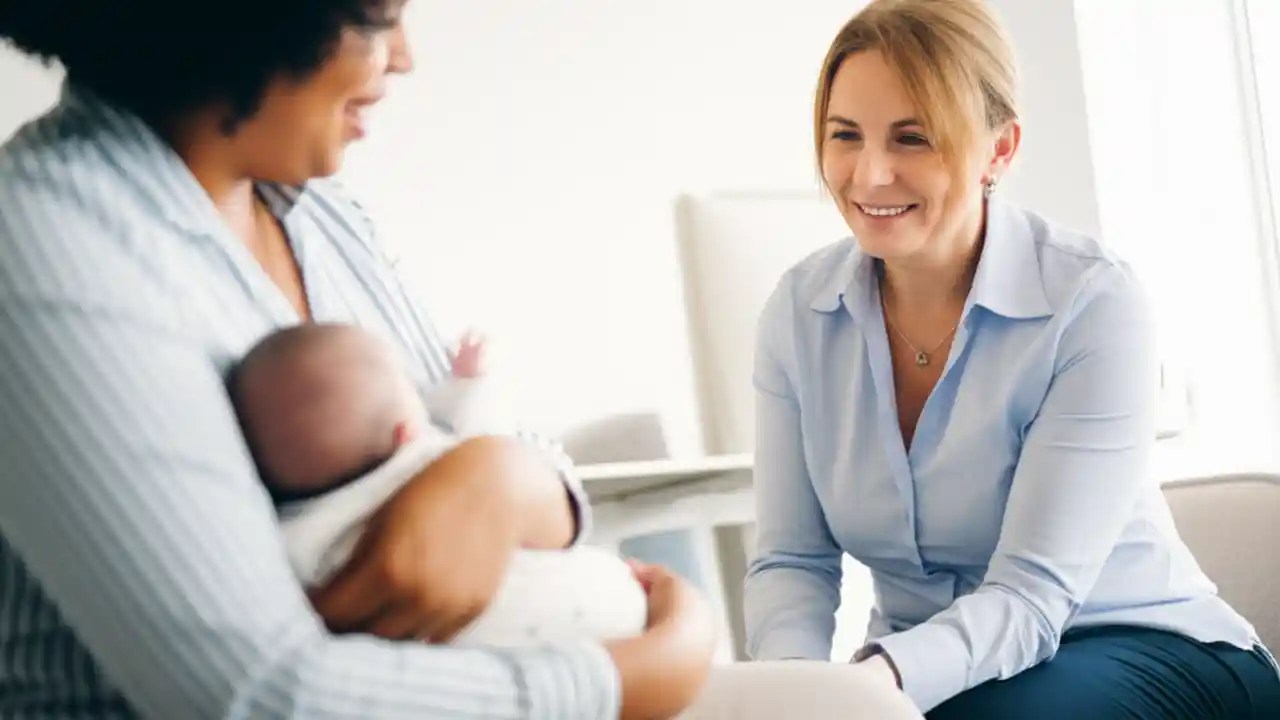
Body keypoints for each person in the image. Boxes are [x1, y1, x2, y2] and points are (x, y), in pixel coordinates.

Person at [0, 2, 716, 718]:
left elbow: (504, 451)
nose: (404, 58)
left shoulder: (317, 214)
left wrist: (497, 481)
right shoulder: (43, 241)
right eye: (376, 22)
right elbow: (261, 696)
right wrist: (633, 679)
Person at [742, 1, 1280, 718]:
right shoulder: (798, 314)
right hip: (933, 675)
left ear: (999, 149)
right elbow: (791, 563)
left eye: (913, 139)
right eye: (846, 136)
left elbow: (1031, 596)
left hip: (1145, 647)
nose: (869, 175)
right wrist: (795, 694)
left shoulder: (1091, 302)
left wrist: (875, 682)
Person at [228, 322, 647, 648]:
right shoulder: (433, 461)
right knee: (618, 582)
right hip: (594, 617)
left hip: (462, 659)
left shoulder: (298, 540)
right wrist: (471, 383)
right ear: (405, 431)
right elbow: (492, 438)